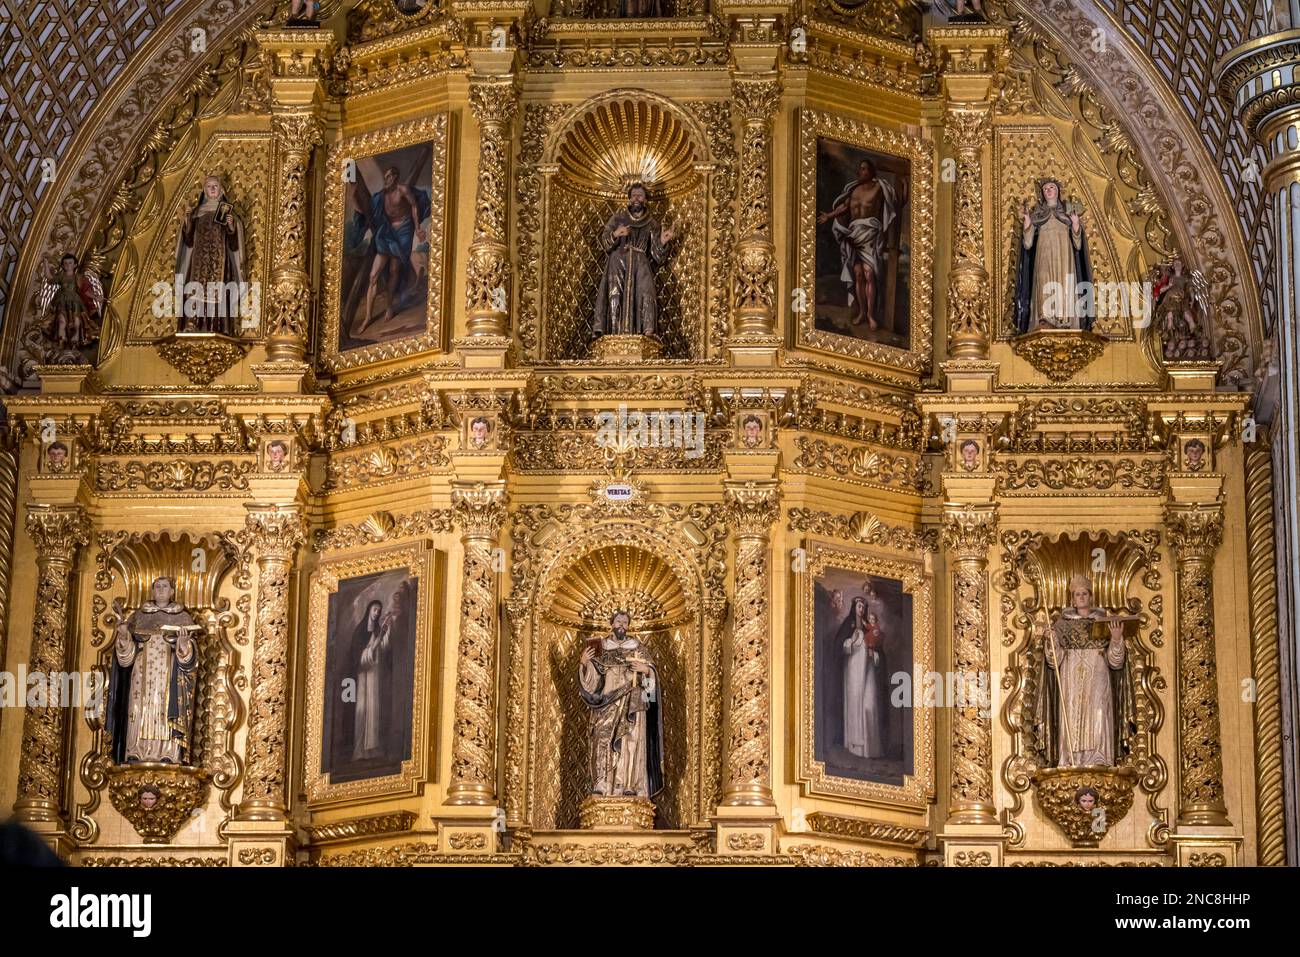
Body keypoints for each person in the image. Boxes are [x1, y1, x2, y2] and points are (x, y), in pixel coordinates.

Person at [1031, 575, 1136, 767]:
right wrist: (1052, 640)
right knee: (1071, 715)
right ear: (1072, 598)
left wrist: (1115, 638)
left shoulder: (1103, 622)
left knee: (1098, 713)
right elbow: (1054, 661)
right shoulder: (1062, 625)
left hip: (1097, 675)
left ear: (1090, 596)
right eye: (1077, 594)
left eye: (1084, 594)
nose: (1080, 597)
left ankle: (1099, 758)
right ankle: (1071, 759)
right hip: (1070, 675)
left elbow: (1116, 662)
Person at [106, 577, 201, 765]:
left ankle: (168, 753)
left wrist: (183, 645)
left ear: (172, 591)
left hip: (167, 673)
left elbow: (189, 660)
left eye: (165, 586)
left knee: (164, 709)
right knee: (138, 709)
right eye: (157, 587)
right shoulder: (138, 616)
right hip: (141, 671)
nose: (160, 590)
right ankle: (136, 751)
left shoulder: (182, 617)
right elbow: (125, 660)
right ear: (152, 591)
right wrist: (124, 636)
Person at [578, 609, 663, 797]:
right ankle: (602, 785)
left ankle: (629, 785)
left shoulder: (638, 649)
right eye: (618, 621)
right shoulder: (600, 648)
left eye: (625, 622)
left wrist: (647, 671)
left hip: (633, 703)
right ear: (612, 624)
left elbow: (650, 693)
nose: (622, 625)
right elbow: (592, 684)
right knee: (602, 740)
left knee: (630, 742)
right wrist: (584, 663)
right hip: (606, 703)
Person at [818, 159, 899, 331]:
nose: (859, 172)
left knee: (869, 274)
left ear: (871, 172)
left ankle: (871, 315)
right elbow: (844, 208)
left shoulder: (879, 188)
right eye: (859, 168)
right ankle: (862, 312)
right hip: (853, 235)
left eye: (863, 169)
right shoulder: (853, 190)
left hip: (870, 234)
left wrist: (905, 188)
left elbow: (895, 203)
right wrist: (829, 217)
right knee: (858, 274)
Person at [593, 182, 676, 338]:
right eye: (633, 195)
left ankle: (648, 331)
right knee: (615, 294)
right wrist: (616, 234)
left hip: (641, 262)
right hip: (618, 260)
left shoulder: (651, 223)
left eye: (640, 195)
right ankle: (613, 333)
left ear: (645, 199)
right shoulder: (618, 218)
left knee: (646, 292)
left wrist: (663, 242)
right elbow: (604, 241)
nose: (636, 198)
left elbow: (657, 256)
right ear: (629, 199)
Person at [1014, 179, 1094, 333]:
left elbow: (1078, 244)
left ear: (1057, 191)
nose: (1048, 190)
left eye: (1051, 187)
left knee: (1064, 283)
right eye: (1045, 189)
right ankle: (1045, 318)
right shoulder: (1037, 214)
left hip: (1064, 253)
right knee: (1044, 280)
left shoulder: (1067, 211)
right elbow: (1028, 243)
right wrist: (1027, 222)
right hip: (1044, 252)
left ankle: (1065, 320)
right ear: (1043, 194)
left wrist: (1076, 224)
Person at [359, 166, 429, 335]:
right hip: (387, 233)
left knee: (394, 270)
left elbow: (414, 207)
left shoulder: (402, 190)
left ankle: (389, 306)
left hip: (403, 232)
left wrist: (418, 227)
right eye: (385, 176)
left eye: (389, 176)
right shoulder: (381, 196)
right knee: (373, 275)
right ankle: (368, 317)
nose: (387, 179)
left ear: (396, 177)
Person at [175, 175, 245, 334]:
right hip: (199, 260)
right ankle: (192, 324)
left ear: (221, 189)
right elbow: (188, 240)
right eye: (209, 186)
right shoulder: (197, 212)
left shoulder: (225, 211)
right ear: (204, 191)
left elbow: (234, 244)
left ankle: (217, 327)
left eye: (215, 186)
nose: (212, 189)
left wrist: (231, 225)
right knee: (194, 290)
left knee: (218, 291)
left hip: (219, 259)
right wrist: (187, 220)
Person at [352, 600, 394, 762]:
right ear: (369, 610)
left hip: (374, 675)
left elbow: (383, 648)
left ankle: (371, 750)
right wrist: (377, 641)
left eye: (379, 610)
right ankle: (359, 750)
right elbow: (358, 656)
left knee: (373, 710)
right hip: (363, 675)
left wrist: (386, 631)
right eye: (375, 609)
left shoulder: (378, 629)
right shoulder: (360, 631)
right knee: (362, 710)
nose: (377, 613)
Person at [38, 253, 102, 350]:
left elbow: (86, 291)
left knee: (77, 322)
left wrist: (96, 297)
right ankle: (61, 342)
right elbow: (49, 278)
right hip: (62, 301)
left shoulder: (79, 277)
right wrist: (46, 263)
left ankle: (75, 341)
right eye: (65, 263)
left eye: (70, 263)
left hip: (75, 302)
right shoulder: (61, 276)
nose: (68, 265)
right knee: (61, 321)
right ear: (63, 266)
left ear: (75, 265)